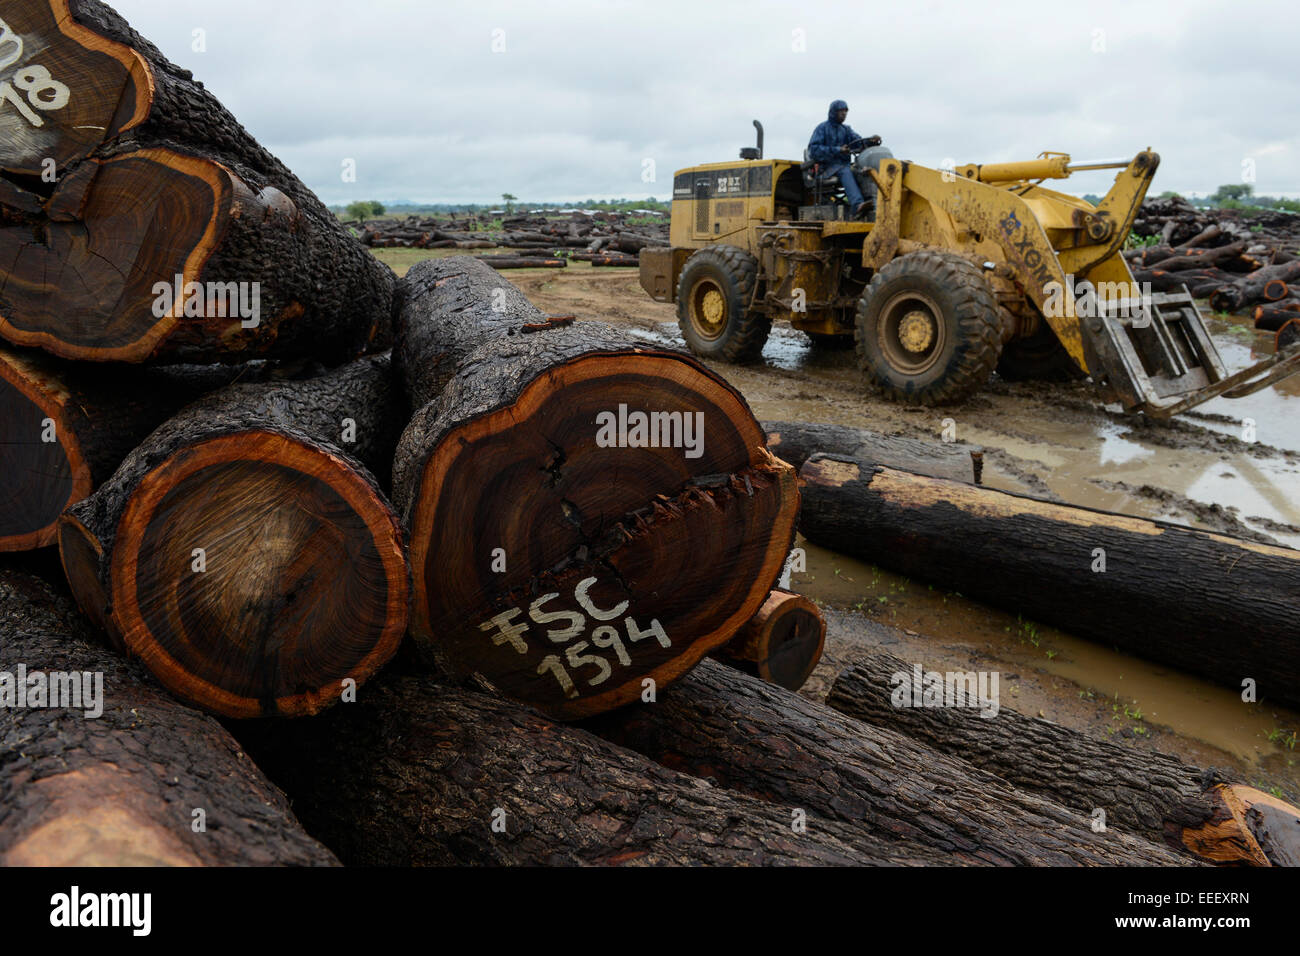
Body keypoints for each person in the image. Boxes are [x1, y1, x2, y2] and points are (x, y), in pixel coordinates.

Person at [808, 99, 867, 217]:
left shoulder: (846, 130)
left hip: (843, 166)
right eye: (841, 111)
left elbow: (858, 142)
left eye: (846, 111)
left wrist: (870, 141)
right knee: (844, 170)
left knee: (862, 171)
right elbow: (813, 150)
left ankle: (871, 205)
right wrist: (838, 150)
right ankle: (857, 205)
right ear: (833, 112)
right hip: (825, 169)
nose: (844, 114)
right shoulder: (822, 128)